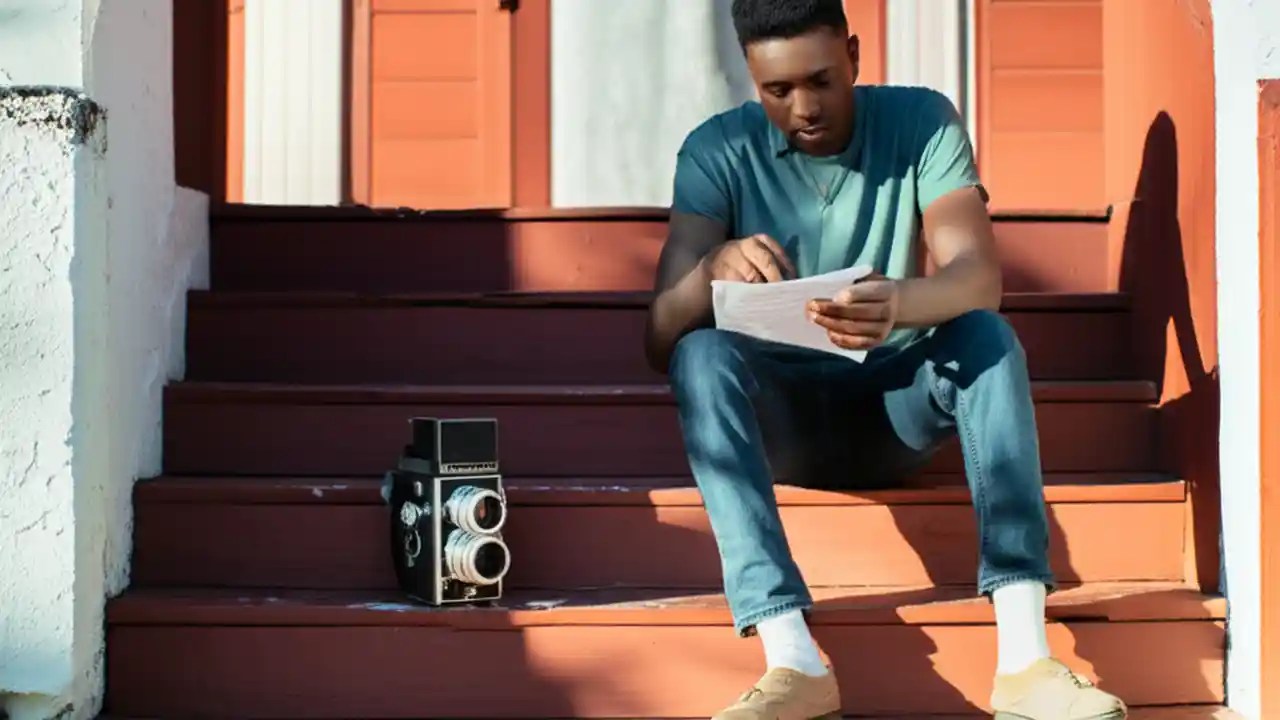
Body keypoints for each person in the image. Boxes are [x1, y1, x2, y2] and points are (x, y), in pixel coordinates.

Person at [642, 1, 1129, 718]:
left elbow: (979, 279)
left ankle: (1026, 660)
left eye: (822, 80)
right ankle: (793, 661)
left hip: (896, 411)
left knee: (987, 337)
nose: (804, 108)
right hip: (783, 422)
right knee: (698, 353)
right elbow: (658, 338)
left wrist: (900, 302)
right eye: (778, 90)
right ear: (750, 74)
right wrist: (710, 268)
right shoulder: (716, 149)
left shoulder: (921, 120)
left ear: (855, 56)